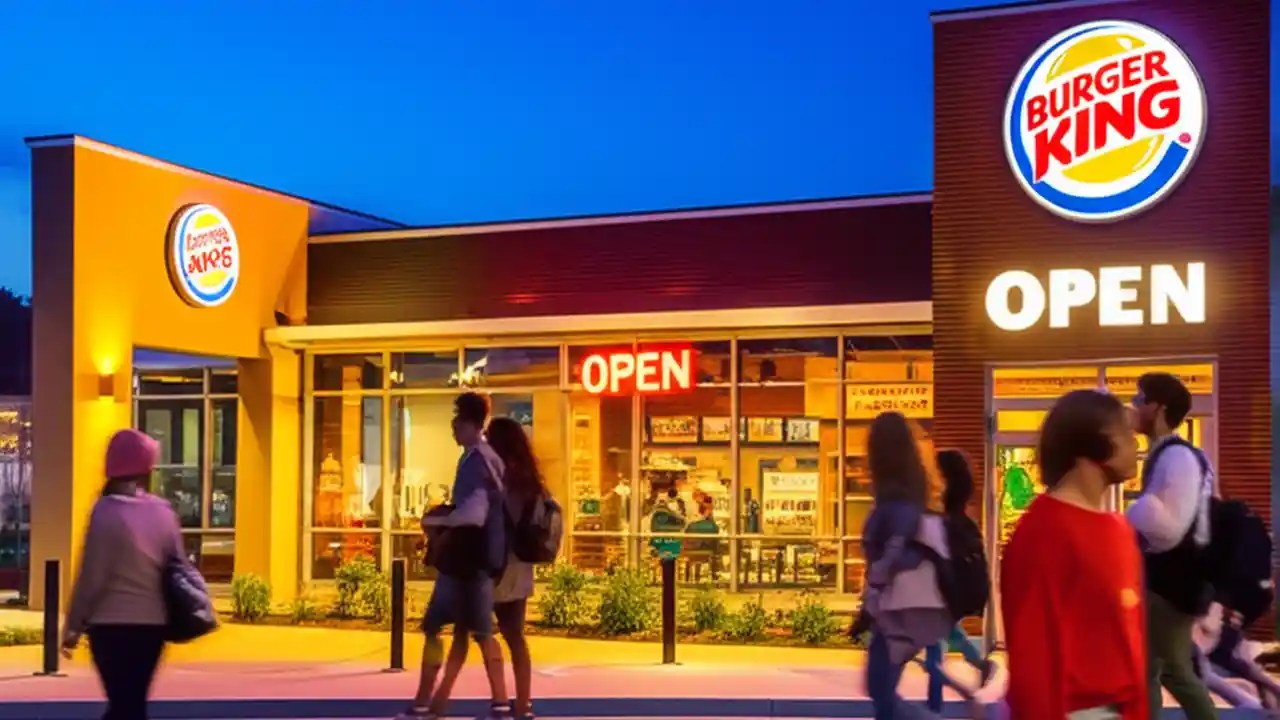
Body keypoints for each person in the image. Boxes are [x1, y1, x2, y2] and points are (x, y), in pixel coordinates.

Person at [1001, 389, 1146, 719]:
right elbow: (1032, 659)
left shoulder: (1119, 530)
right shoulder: (1043, 533)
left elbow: (1130, 642)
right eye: (1124, 434)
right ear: (1094, 445)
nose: (1135, 444)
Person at [61, 428, 189, 720]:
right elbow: (179, 568)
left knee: (122, 703)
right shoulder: (164, 512)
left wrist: (73, 626)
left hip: (110, 627)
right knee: (132, 703)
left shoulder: (105, 512)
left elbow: (92, 576)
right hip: (152, 627)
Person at [400, 393, 511, 720]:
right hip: (481, 560)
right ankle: (497, 702)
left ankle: (424, 703)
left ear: (471, 424)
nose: (453, 426)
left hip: (466, 560)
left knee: (438, 626)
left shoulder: (477, 461)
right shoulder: (488, 459)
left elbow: (474, 514)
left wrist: (439, 520)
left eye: (458, 420)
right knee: (478, 631)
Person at [438, 416, 546, 720]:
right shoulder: (530, 481)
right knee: (516, 637)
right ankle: (523, 706)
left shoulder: (493, 477)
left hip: (490, 564)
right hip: (519, 567)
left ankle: (493, 700)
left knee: (472, 632)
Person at [1126, 372, 1217, 719]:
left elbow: (1167, 527)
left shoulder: (1176, 457)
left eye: (1140, 399)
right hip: (1172, 583)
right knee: (1154, 669)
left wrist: (1133, 512)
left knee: (1170, 671)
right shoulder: (1174, 455)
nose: (1134, 406)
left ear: (1158, 408)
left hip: (1171, 585)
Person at [860, 411, 950, 720]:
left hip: (896, 610)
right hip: (906, 609)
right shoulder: (910, 492)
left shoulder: (895, 502)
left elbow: (900, 551)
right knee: (881, 693)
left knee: (881, 694)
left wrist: (882, 571)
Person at [917, 450, 996, 699]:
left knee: (933, 657)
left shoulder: (939, 520)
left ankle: (944, 706)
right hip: (953, 596)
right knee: (947, 640)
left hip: (938, 595)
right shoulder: (962, 520)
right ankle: (980, 667)